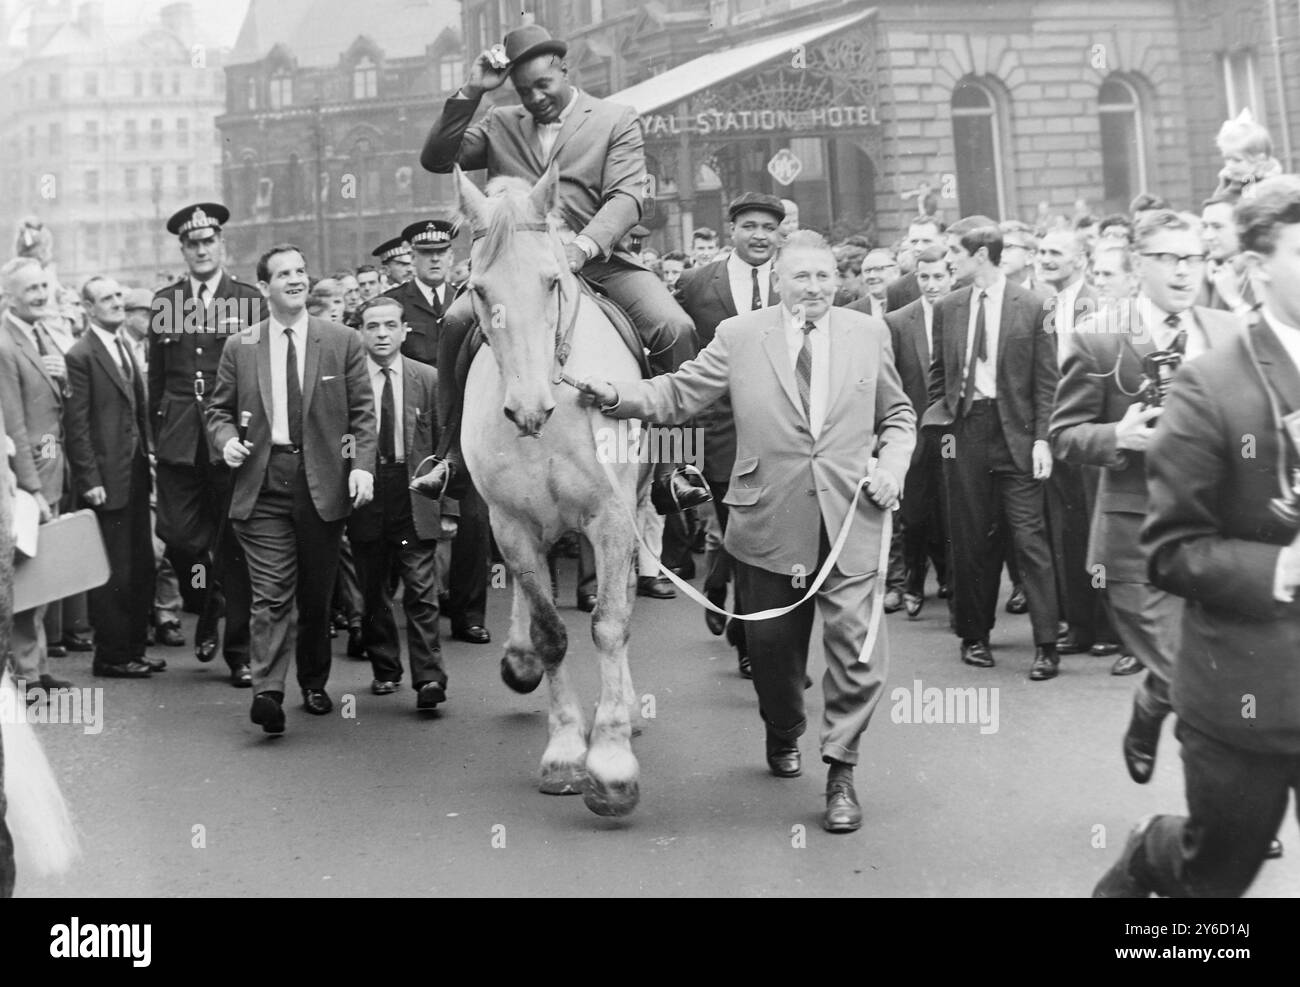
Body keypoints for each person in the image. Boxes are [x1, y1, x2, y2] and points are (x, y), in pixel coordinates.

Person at [576, 230, 914, 833]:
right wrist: (618, 395)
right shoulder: (739, 336)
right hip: (768, 521)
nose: (813, 287)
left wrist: (891, 466)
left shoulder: (868, 333)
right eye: (801, 277)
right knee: (773, 654)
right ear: (778, 281)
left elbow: (897, 416)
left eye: (823, 276)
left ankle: (841, 769)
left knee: (857, 652)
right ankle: (784, 727)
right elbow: (679, 393)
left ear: (837, 279)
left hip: (850, 520)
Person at [1093, 175, 1300, 898]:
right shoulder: (1214, 384)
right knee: (1215, 876)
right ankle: (1151, 853)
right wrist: (1283, 570)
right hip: (1251, 689)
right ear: (1256, 267)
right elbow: (1172, 550)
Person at [416, 22, 707, 518]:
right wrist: (472, 90)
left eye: (542, 85)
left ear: (564, 71)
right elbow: (437, 158)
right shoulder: (500, 121)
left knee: (672, 326)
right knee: (457, 322)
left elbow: (629, 195)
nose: (534, 98)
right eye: (524, 91)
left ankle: (672, 467)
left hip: (602, 262)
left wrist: (585, 247)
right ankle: (449, 457)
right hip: (521, 271)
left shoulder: (615, 118)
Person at [1056, 209, 1243, 783]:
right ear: (1140, 264)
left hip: (1219, 539)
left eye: (1195, 258)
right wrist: (1119, 435)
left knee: (1216, 670)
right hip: (1136, 541)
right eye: (1171, 259)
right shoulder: (1100, 335)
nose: (1187, 272)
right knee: (1200, 681)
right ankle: (1230, 813)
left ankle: (1150, 704)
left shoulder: (1230, 330)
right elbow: (1063, 435)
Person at [206, 244, 376, 736]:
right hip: (262, 483)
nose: (296, 280)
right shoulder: (241, 346)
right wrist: (226, 442)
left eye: (301, 271)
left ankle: (314, 680)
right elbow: (217, 411)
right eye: (284, 274)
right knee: (272, 593)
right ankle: (268, 691)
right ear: (264, 287)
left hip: (322, 482)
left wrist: (361, 466)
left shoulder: (341, 340)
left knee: (317, 594)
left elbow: (363, 414)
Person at [922, 225, 1062, 678]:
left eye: (955, 256)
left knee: (1029, 539)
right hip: (966, 433)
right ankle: (974, 636)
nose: (948, 265)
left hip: (1017, 433)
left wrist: (1042, 438)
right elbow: (938, 373)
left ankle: (1046, 643)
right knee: (969, 539)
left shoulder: (1035, 304)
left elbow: (1047, 381)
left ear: (981, 255)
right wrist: (941, 420)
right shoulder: (949, 306)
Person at [149, 202, 263, 685]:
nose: (200, 250)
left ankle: (239, 653)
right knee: (177, 537)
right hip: (178, 437)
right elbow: (156, 376)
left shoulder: (248, 299)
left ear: (221, 244)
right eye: (191, 244)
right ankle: (210, 597)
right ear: (182, 249)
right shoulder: (165, 301)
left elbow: (257, 376)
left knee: (235, 545)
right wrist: (155, 436)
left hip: (229, 436)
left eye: (207, 242)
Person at [673, 192, 784, 674]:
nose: (759, 235)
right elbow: (679, 358)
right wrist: (684, 441)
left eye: (768, 227)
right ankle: (746, 639)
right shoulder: (697, 284)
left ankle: (726, 597)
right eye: (749, 226)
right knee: (738, 529)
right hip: (720, 432)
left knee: (765, 536)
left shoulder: (793, 281)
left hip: (782, 434)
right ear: (732, 231)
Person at [349, 297, 451, 709]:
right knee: (373, 591)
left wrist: (449, 508)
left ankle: (429, 678)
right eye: (372, 326)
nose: (382, 334)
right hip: (369, 490)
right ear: (361, 332)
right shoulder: (349, 381)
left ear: (405, 330)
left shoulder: (427, 379)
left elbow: (446, 447)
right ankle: (385, 668)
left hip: (414, 490)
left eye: (390, 325)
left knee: (422, 590)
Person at [65, 277, 158, 679]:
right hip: (106, 481)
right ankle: (113, 656)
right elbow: (77, 425)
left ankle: (134, 648)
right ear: (88, 307)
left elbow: (136, 410)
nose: (118, 303)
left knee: (140, 566)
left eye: (119, 296)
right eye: (107, 299)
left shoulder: (123, 345)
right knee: (115, 572)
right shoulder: (81, 354)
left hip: (135, 472)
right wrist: (90, 479)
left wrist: (148, 453)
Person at [0, 258, 72, 693]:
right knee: (27, 577)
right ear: (9, 297)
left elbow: (49, 405)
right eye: (31, 290)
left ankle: (37, 667)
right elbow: (15, 424)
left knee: (42, 574)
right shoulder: (6, 344)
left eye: (43, 286)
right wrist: (31, 488)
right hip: (30, 480)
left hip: (50, 471)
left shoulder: (38, 332)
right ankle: (27, 672)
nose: (42, 295)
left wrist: (62, 382)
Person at [884, 245, 953, 618]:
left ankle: (950, 579)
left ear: (951, 275)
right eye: (923, 277)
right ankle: (912, 582)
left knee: (952, 510)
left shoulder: (961, 312)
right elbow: (891, 381)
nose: (930, 284)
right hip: (912, 430)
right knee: (913, 514)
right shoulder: (898, 321)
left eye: (938, 276)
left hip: (951, 432)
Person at [120, 287, 186, 647]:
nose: (150, 321)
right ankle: (151, 613)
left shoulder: (157, 348)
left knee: (166, 541)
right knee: (148, 545)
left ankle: (167, 613)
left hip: (163, 451)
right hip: (140, 456)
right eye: (143, 313)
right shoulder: (123, 352)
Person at [384, 219, 457, 368]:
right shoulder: (392, 301)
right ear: (412, 258)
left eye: (441, 252)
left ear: (450, 258)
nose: (435, 259)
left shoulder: (463, 298)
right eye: (426, 252)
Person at [1198, 193, 1256, 313]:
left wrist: (1233, 299)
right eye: (1205, 226)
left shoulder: (1266, 273)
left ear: (1243, 228)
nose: (1207, 236)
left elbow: (1269, 331)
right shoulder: (1211, 269)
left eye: (1217, 227)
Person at [885, 215, 944, 312]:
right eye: (914, 242)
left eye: (926, 241)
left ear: (943, 240)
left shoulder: (962, 281)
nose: (918, 248)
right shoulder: (897, 290)